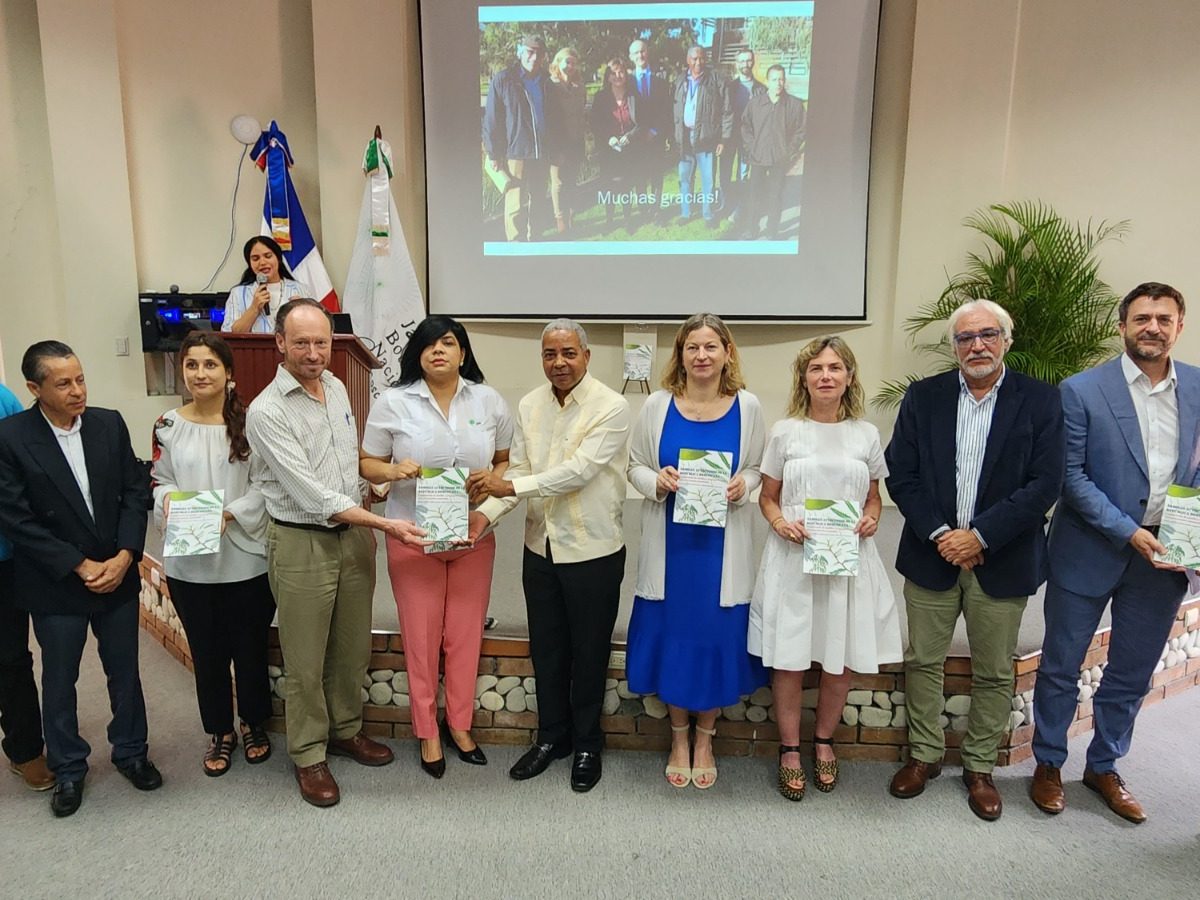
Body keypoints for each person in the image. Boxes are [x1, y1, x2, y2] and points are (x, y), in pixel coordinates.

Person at [884, 299, 1064, 821]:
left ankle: (980, 767)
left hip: (1003, 558)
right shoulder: (924, 397)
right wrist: (944, 534)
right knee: (923, 660)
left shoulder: (1041, 400)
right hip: (932, 552)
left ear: (1007, 340)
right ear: (954, 347)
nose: (977, 345)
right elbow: (901, 473)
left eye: (988, 334)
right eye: (965, 337)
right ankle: (923, 756)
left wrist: (981, 536)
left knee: (993, 670)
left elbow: (1045, 483)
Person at [245, 298, 426, 807]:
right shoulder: (267, 411)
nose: (313, 353)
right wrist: (386, 524)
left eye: (321, 342)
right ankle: (308, 753)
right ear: (280, 343)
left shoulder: (339, 387)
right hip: (301, 541)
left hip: (354, 538)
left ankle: (345, 730)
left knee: (351, 648)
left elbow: (347, 466)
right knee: (305, 659)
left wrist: (384, 482)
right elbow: (315, 497)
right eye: (301, 342)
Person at [1031, 282, 1200, 824]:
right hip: (1087, 549)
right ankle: (1049, 763)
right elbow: (1071, 476)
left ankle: (1104, 765)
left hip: (1164, 556)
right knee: (1061, 665)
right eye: (1142, 318)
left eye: (1164, 319)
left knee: (1132, 670)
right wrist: (1128, 531)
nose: (1153, 327)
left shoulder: (1199, 387)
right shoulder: (1081, 390)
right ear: (1122, 325)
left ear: (1179, 326)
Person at [469, 319, 630, 793]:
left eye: (568, 353)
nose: (559, 363)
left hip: (593, 550)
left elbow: (578, 472)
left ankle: (587, 744)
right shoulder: (530, 404)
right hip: (539, 548)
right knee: (547, 648)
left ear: (586, 356)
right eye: (549, 354)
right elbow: (519, 468)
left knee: (589, 651)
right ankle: (552, 737)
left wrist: (509, 486)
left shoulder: (612, 406)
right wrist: (483, 516)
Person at [0, 342, 159, 818]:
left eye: (81, 379)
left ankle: (131, 751)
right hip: (56, 579)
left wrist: (126, 555)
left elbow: (134, 491)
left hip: (116, 570)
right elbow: (16, 517)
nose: (77, 391)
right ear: (35, 388)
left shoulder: (108, 424)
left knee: (124, 671)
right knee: (60, 677)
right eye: (64, 383)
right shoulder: (11, 437)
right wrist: (79, 565)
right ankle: (68, 767)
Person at [360, 316, 513, 779]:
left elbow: (505, 460)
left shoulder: (488, 400)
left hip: (472, 534)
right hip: (413, 535)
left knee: (464, 636)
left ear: (463, 353)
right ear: (418, 354)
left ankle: (460, 726)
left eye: (448, 343)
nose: (439, 351)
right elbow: (367, 463)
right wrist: (393, 471)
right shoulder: (393, 401)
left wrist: (493, 482)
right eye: (429, 344)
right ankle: (427, 731)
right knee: (421, 638)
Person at [750, 336, 902, 801]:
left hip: (847, 560)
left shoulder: (865, 434)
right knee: (791, 656)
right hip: (795, 558)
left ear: (850, 377)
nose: (826, 376)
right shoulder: (785, 432)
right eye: (816, 368)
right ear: (804, 378)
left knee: (839, 655)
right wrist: (780, 523)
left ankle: (823, 742)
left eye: (835, 368)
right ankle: (789, 749)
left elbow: (873, 496)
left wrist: (872, 517)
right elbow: (768, 497)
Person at [626, 314, 766, 790]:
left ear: (727, 352)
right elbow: (635, 466)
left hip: (720, 551)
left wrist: (743, 486)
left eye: (711, 346)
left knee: (713, 637)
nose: (701, 356)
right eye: (692, 347)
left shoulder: (748, 407)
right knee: (675, 635)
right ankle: (678, 737)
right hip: (672, 548)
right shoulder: (656, 405)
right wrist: (657, 480)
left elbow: (757, 469)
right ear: (680, 355)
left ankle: (705, 738)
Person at [150, 332, 275, 776]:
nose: (200, 374)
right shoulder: (166, 425)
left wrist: (230, 514)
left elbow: (266, 484)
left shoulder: (253, 423)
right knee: (207, 653)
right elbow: (160, 480)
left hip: (245, 556)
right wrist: (171, 502)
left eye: (210, 365)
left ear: (228, 373)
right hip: (191, 562)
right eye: (191, 365)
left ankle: (253, 722)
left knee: (250, 649)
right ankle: (220, 730)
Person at [0, 381, 53, 792]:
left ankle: (25, 748)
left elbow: (28, 458)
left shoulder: (2, 399)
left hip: (8, 553)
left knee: (10, 656)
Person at [482, 34, 551, 242]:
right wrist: (493, 153)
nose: (534, 58)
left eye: (539, 54)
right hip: (516, 151)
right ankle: (516, 242)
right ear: (521, 52)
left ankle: (535, 237)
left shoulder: (547, 80)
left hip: (542, 151)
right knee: (515, 201)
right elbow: (492, 118)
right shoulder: (504, 79)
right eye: (530, 52)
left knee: (539, 197)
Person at [740, 65, 806, 240]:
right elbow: (745, 126)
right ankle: (752, 229)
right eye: (775, 79)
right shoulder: (755, 104)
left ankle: (771, 231)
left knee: (775, 196)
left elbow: (801, 130)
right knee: (755, 195)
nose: (778, 83)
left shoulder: (794, 105)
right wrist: (752, 147)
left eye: (781, 79)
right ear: (768, 81)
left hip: (779, 159)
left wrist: (789, 151)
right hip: (758, 157)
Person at [672, 45, 731, 227]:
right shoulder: (679, 80)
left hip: (707, 138)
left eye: (702, 58)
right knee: (685, 178)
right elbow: (673, 109)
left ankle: (708, 214)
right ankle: (686, 213)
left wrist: (724, 139)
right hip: (684, 138)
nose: (699, 62)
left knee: (708, 179)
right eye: (695, 59)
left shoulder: (716, 80)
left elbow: (727, 111)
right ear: (687, 60)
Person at [589, 59, 640, 231]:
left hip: (628, 148)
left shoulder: (634, 96)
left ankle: (627, 220)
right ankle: (609, 220)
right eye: (613, 73)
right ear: (608, 77)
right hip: (608, 148)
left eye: (621, 72)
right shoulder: (601, 97)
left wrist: (630, 136)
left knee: (626, 185)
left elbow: (642, 122)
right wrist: (608, 138)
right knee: (608, 185)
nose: (618, 76)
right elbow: (594, 123)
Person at [221, 235, 309, 334]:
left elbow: (314, 329)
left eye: (268, 256)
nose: (262, 262)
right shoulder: (238, 293)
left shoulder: (299, 289)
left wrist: (303, 313)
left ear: (278, 258)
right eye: (255, 259)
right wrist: (254, 308)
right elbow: (229, 334)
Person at [718, 49, 764, 219]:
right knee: (724, 173)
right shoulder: (729, 87)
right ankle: (724, 205)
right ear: (737, 63)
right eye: (742, 61)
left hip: (748, 139)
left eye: (748, 60)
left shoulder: (761, 89)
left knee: (743, 175)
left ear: (753, 62)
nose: (745, 64)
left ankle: (740, 207)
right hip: (729, 137)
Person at [628, 39, 671, 221]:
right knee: (639, 175)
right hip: (636, 139)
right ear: (631, 57)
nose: (640, 55)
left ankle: (656, 210)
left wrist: (654, 131)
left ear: (648, 52)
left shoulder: (660, 80)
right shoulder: (627, 81)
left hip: (655, 137)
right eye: (636, 52)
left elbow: (666, 109)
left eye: (643, 51)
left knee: (656, 175)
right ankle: (643, 210)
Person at [546, 46, 587, 234]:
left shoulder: (580, 87)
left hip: (576, 140)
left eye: (573, 63)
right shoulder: (550, 85)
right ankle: (560, 218)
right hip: (559, 142)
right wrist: (555, 147)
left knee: (571, 181)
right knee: (559, 183)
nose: (570, 66)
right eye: (567, 62)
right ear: (558, 62)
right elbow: (550, 118)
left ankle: (571, 217)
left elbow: (582, 113)